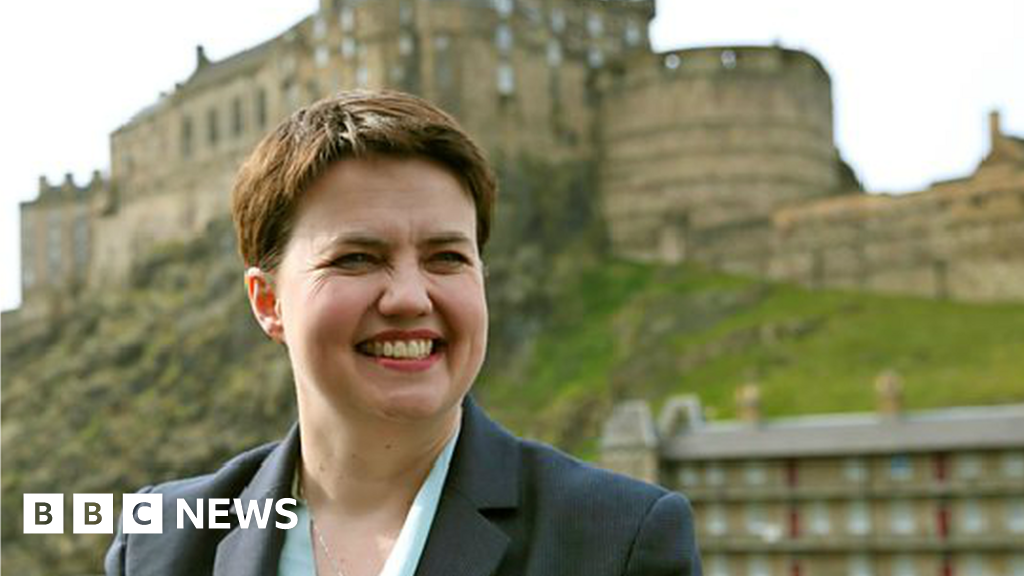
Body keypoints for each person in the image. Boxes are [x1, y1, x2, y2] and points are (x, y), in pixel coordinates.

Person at [104, 89, 701, 576]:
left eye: (447, 258)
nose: (411, 297)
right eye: (357, 258)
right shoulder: (162, 539)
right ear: (268, 302)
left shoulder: (618, 541)